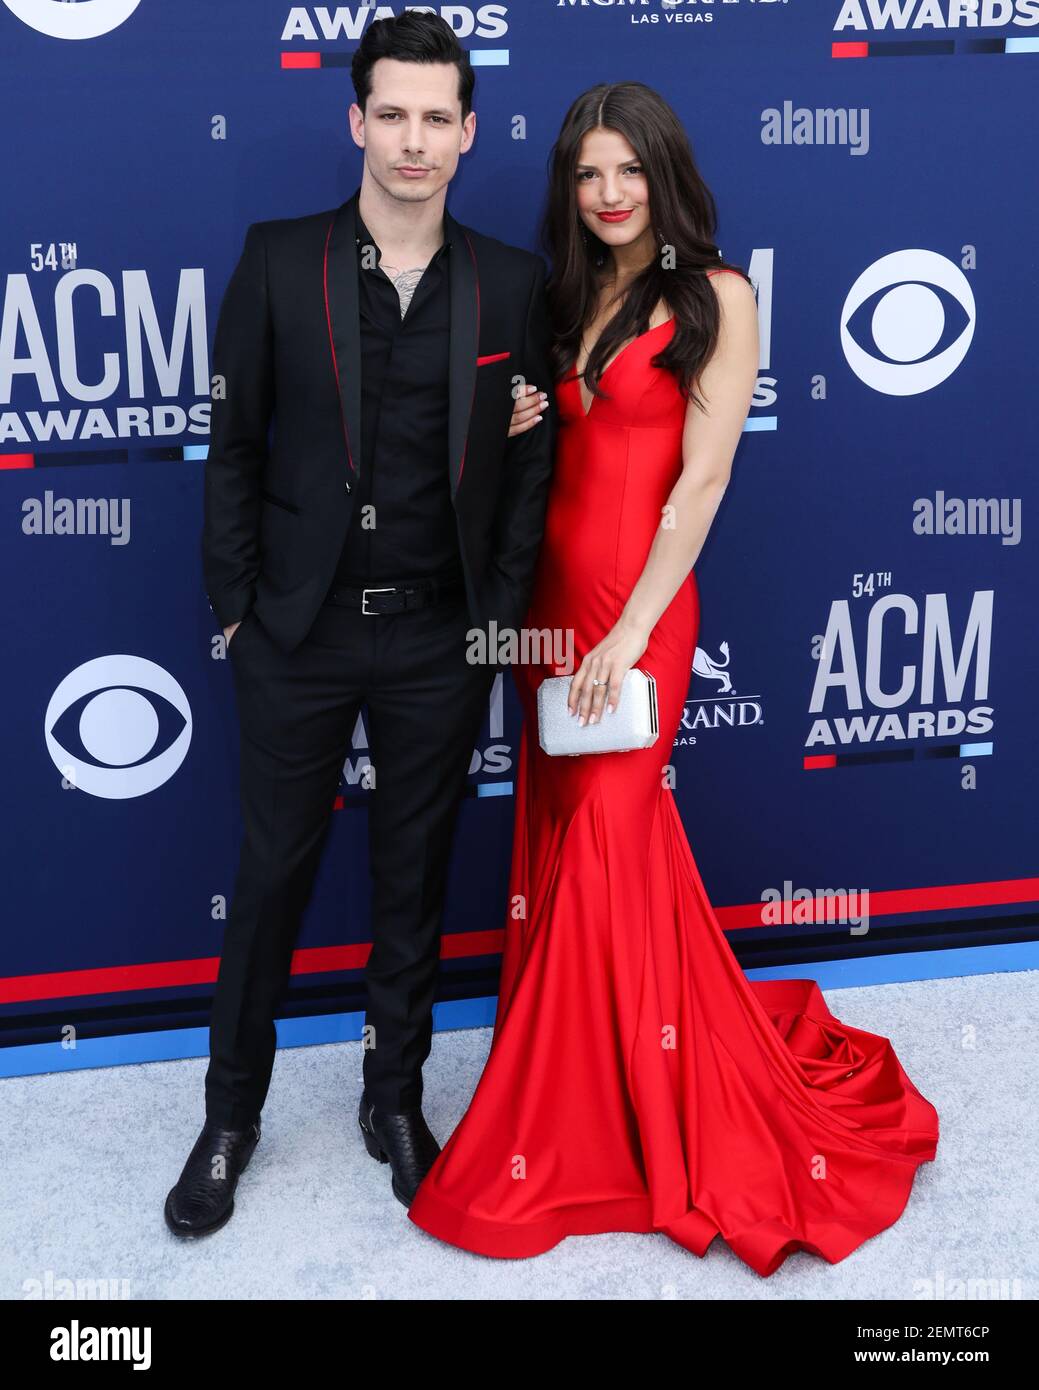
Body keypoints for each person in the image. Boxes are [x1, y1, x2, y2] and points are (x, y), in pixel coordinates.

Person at [407, 82, 940, 1277]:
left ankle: (596, 1115)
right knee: (565, 847)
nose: (607, 195)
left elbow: (698, 484)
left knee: (609, 830)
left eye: (627, 172)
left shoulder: (719, 295)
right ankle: (589, 1076)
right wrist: (519, 423)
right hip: (546, 608)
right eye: (588, 174)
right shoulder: (566, 293)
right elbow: (561, 453)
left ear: (664, 172)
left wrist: (626, 631)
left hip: (635, 615)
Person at [165, 11, 556, 1237]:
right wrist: (236, 611)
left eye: (438, 116)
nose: (414, 139)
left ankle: (394, 1101)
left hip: (441, 635)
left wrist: (494, 616)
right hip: (299, 630)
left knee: (413, 878)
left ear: (469, 132)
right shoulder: (279, 259)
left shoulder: (511, 281)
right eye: (392, 112)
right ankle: (231, 1114)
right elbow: (230, 445)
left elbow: (532, 460)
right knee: (271, 875)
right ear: (355, 120)